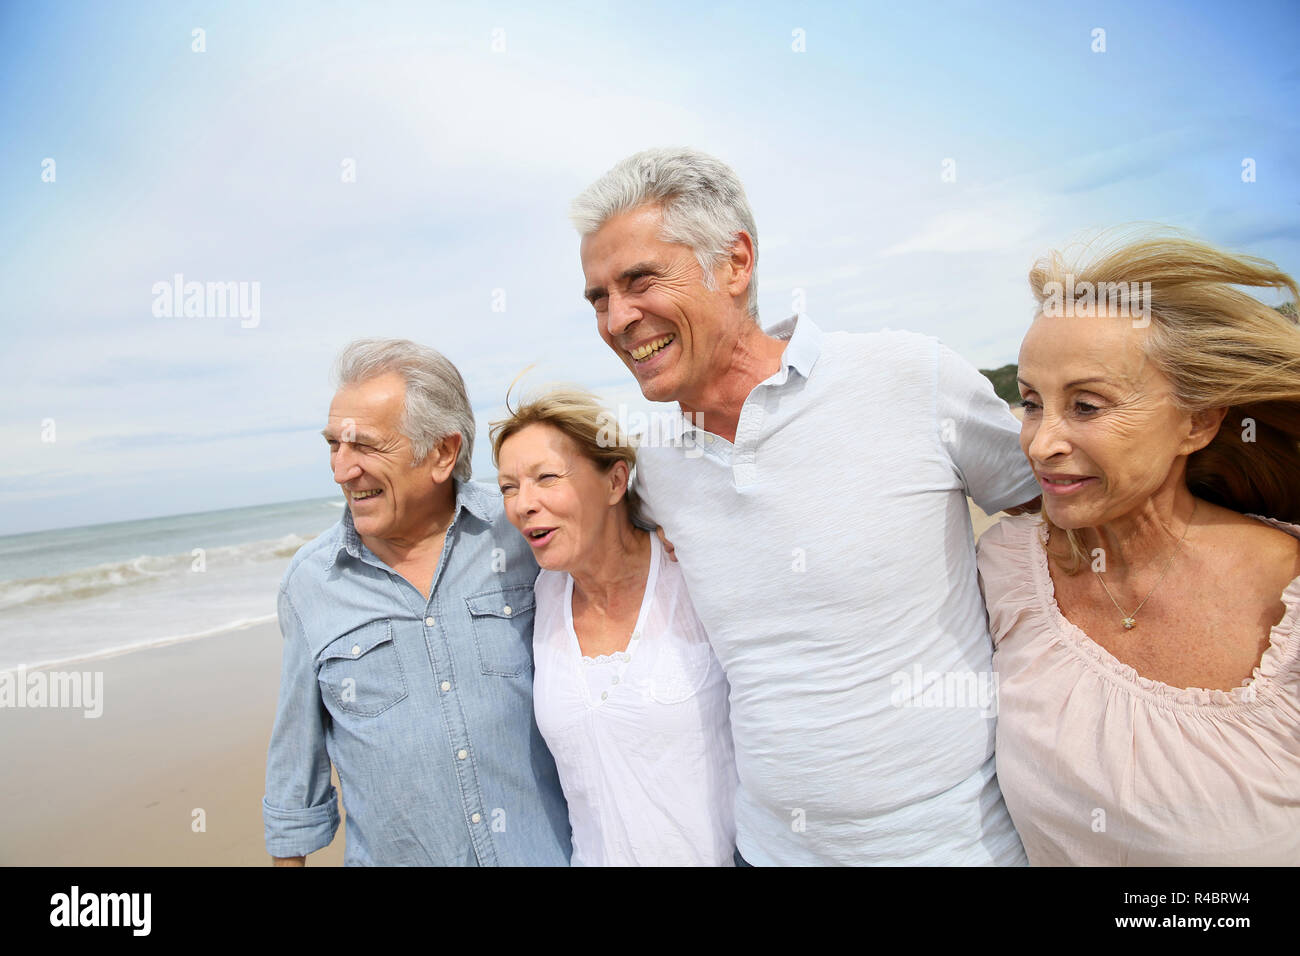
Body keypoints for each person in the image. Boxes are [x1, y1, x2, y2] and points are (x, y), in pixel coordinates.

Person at [570, 147, 1040, 865]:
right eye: (599, 297)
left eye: (639, 281)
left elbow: (1061, 511)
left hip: (955, 846)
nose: (616, 319)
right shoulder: (655, 467)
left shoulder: (910, 376)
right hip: (769, 850)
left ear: (735, 263)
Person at [976, 233, 1300, 865]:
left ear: (1197, 421)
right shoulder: (1007, 569)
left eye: (1087, 406)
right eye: (1034, 404)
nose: (1041, 444)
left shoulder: (1288, 600)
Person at [263, 339, 571, 866]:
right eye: (334, 444)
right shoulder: (311, 584)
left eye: (365, 447)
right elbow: (296, 787)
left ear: (443, 453)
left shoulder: (523, 532)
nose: (341, 470)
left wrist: (661, 519)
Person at [490, 387, 738, 866]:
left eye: (546, 478)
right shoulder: (539, 597)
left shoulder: (689, 574)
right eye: (508, 487)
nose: (523, 504)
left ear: (614, 481)